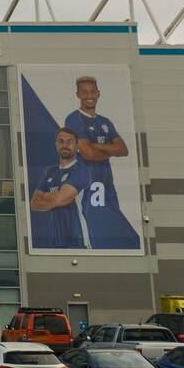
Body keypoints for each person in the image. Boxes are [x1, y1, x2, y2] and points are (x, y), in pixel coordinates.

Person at [64, 75, 140, 249]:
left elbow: (124, 150)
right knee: (94, 229)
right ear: (78, 95)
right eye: (84, 92)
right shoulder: (74, 119)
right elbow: (88, 154)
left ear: (98, 94)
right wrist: (109, 150)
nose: (89, 95)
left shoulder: (105, 122)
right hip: (87, 184)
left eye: (92, 92)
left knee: (114, 226)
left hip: (107, 184)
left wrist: (98, 146)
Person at [29, 128, 89, 249]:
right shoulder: (49, 172)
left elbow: (59, 200)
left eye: (69, 141)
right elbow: (34, 204)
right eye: (61, 141)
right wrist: (59, 197)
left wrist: (45, 196)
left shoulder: (81, 170)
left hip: (78, 240)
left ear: (77, 146)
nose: (65, 145)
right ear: (56, 145)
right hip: (55, 240)